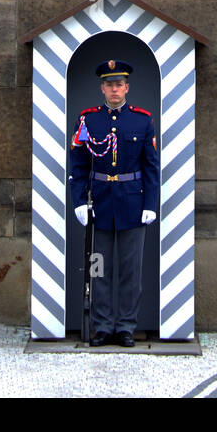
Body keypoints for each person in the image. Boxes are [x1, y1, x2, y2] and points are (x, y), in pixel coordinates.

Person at [69, 60, 160, 347]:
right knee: (100, 269)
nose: (114, 89)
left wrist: (151, 204)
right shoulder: (88, 120)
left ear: (127, 87)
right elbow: (79, 164)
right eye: (109, 84)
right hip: (100, 203)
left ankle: (125, 327)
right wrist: (79, 201)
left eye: (119, 84)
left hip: (133, 202)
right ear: (102, 88)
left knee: (131, 271)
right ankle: (103, 326)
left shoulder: (143, 120)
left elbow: (151, 167)